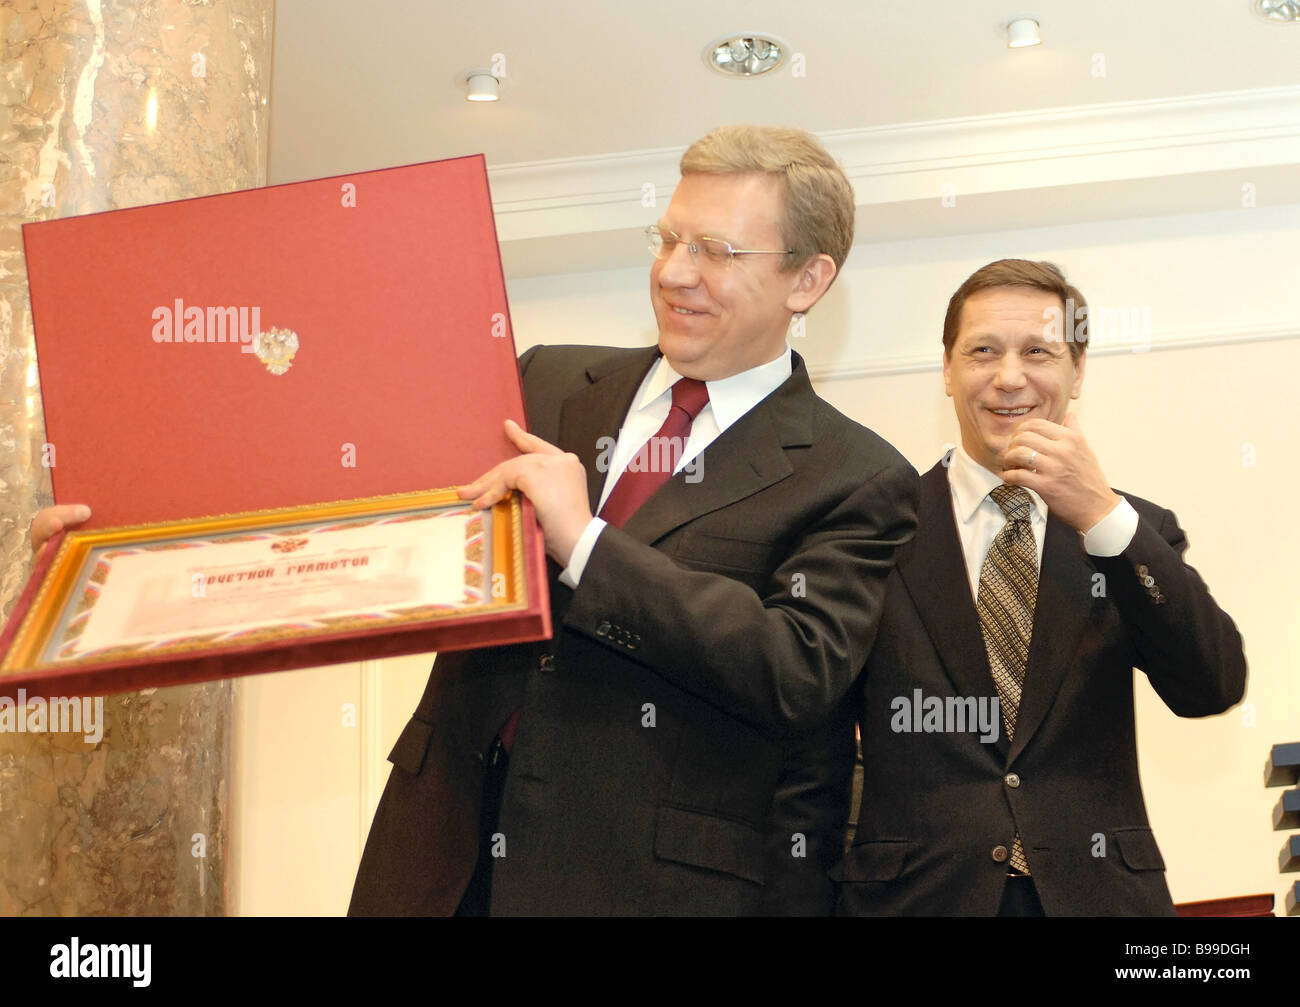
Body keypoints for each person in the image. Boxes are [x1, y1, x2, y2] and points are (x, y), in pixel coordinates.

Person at [837, 259, 1247, 916]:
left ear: (1076, 371)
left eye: (1038, 352)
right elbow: (813, 744)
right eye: (982, 352)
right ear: (947, 370)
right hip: (915, 898)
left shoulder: (1131, 530)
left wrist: (1105, 516)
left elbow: (1212, 683)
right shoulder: (869, 530)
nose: (1009, 377)